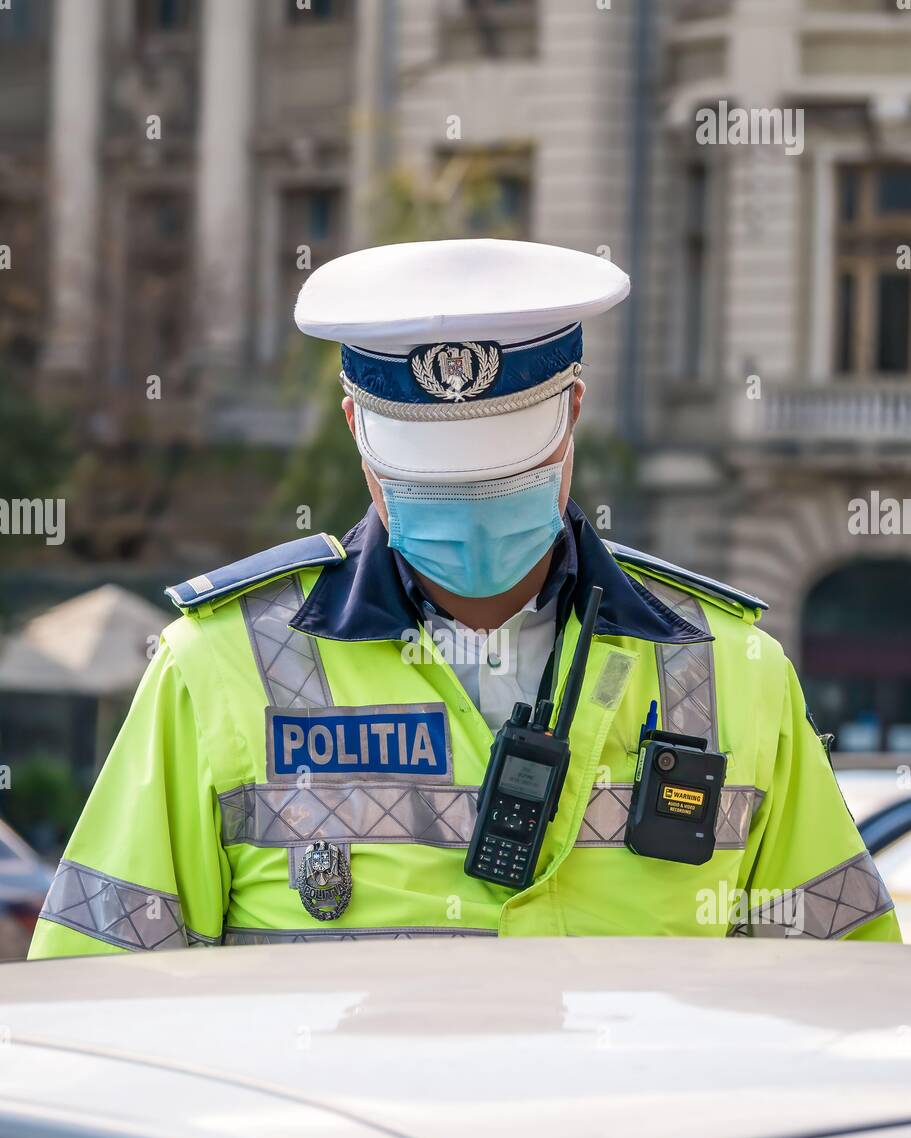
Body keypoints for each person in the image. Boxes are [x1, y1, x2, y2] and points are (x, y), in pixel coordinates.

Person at [28, 239, 899, 956]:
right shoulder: (214, 664)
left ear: (572, 421)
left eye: (499, 481)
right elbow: (99, 1000)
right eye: (433, 487)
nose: (470, 520)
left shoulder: (735, 666)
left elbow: (840, 1003)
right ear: (357, 438)